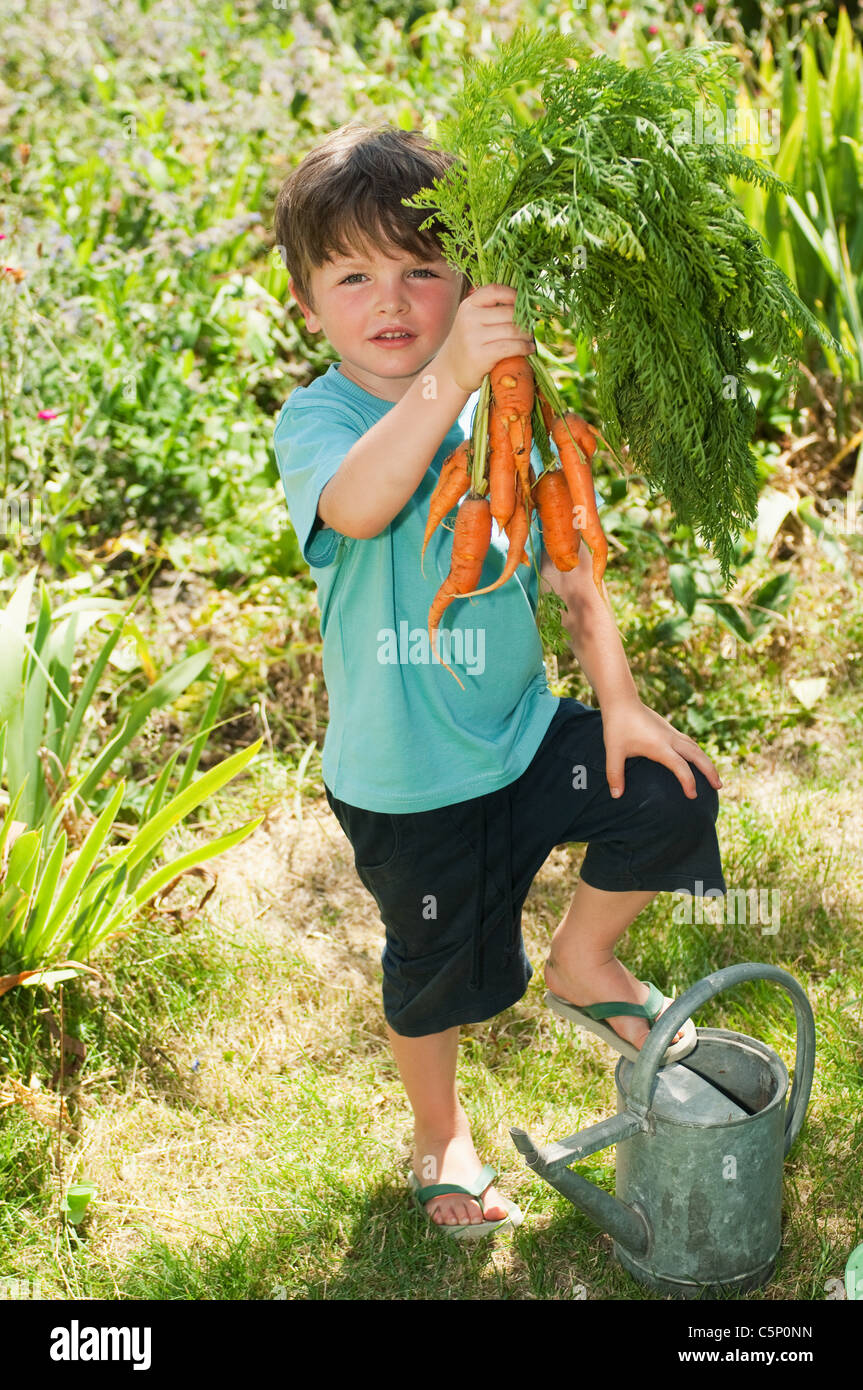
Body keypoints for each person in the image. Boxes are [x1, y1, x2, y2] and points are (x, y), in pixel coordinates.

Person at [271, 122, 727, 1240]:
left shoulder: (502, 411)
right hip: (406, 784)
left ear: (467, 280)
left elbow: (571, 567)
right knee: (435, 971)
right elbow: (358, 506)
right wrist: (450, 378)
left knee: (669, 793)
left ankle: (583, 962)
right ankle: (440, 1133)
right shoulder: (320, 421)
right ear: (307, 305)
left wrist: (616, 700)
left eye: (422, 269)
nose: (393, 299)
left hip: (518, 737)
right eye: (354, 275)